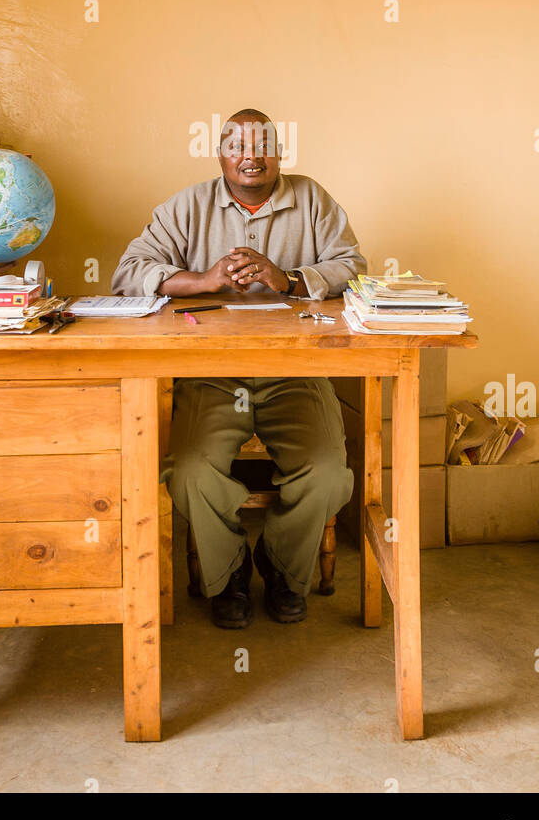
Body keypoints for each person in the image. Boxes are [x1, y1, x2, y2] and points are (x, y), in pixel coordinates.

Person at [111, 109, 365, 629]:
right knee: (189, 471)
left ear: (280, 153)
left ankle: (280, 565)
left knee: (326, 472)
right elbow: (127, 273)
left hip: (295, 370)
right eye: (237, 144)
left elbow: (354, 266)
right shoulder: (187, 206)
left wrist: (289, 278)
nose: (251, 155)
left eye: (263, 144)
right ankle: (228, 570)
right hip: (212, 372)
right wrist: (203, 280)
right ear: (220, 153)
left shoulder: (313, 199)